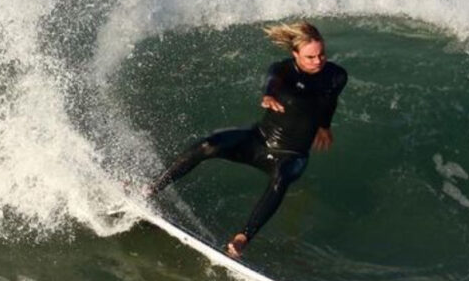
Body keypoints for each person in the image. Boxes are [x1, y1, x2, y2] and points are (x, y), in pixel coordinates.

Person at [146, 21, 348, 260]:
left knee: (281, 179)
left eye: (321, 54)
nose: (318, 61)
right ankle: (151, 189)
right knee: (207, 145)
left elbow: (330, 101)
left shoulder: (336, 76)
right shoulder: (283, 70)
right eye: (310, 56)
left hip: (292, 155)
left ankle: (242, 238)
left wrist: (325, 126)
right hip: (259, 140)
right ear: (295, 54)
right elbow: (272, 80)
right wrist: (269, 95)